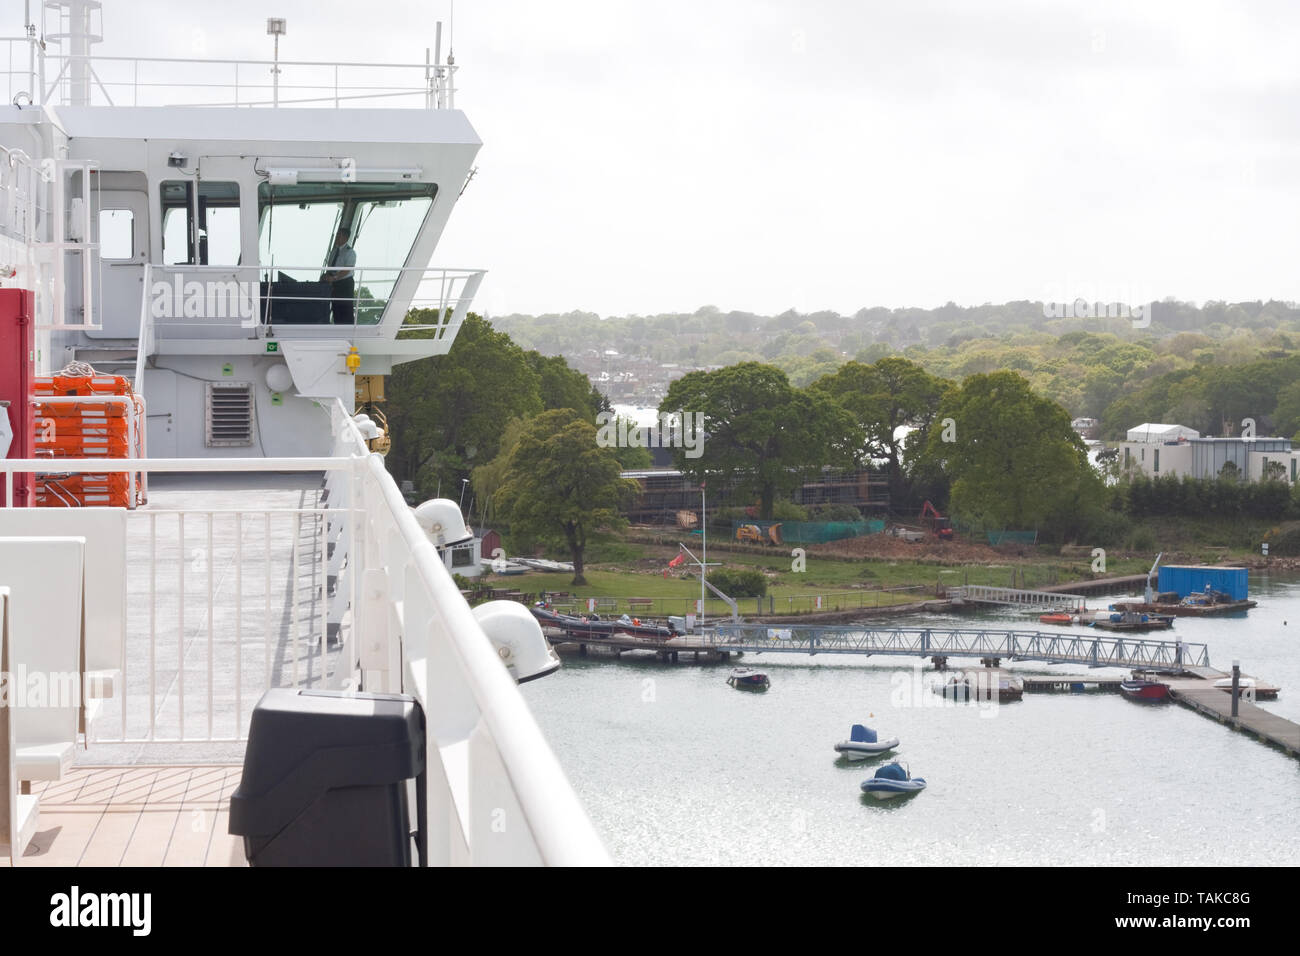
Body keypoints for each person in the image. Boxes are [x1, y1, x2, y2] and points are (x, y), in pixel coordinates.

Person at [320, 228, 356, 324]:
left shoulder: (350, 252)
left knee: (345, 309)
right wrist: (327, 276)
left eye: (338, 236)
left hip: (345, 284)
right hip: (334, 284)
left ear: (345, 238)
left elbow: (347, 270)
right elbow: (331, 267)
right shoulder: (334, 251)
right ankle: (338, 329)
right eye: (336, 236)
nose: (336, 238)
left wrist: (334, 277)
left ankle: (347, 332)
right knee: (336, 308)